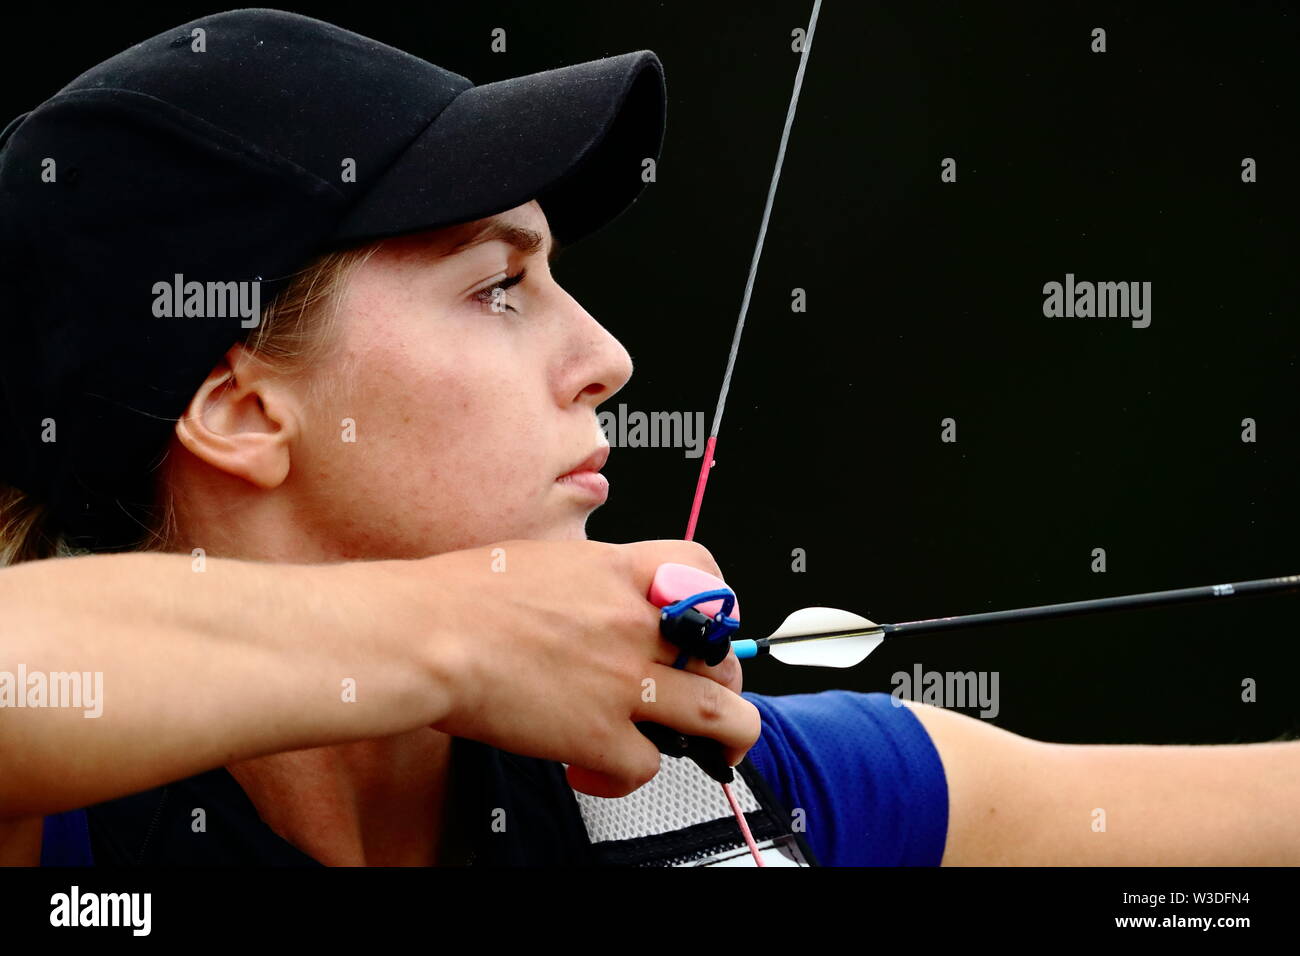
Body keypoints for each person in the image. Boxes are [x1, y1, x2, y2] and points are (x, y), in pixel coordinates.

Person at [2, 9, 1297, 867]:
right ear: (240, 408)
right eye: (497, 285)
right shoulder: (59, 829)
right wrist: (473, 639)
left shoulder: (695, 782)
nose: (608, 359)